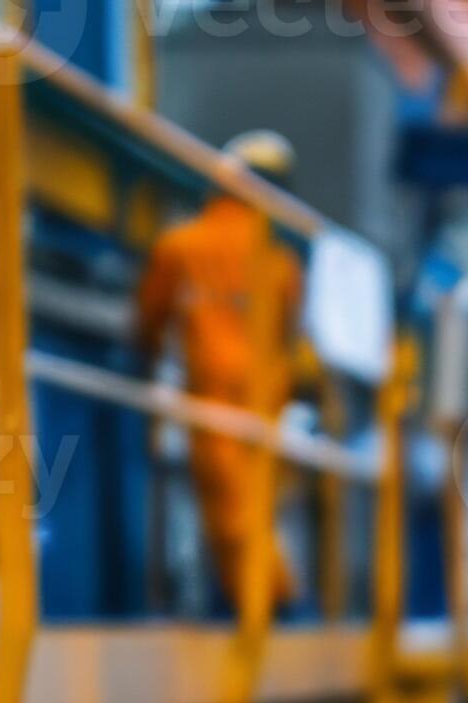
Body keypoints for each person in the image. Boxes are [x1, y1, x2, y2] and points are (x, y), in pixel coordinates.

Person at [134, 129, 306, 612]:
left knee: (229, 512)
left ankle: (270, 602)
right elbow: (289, 335)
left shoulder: (182, 245)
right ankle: (266, 600)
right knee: (255, 508)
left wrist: (144, 361)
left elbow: (148, 321)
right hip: (266, 398)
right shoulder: (281, 262)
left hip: (212, 393)